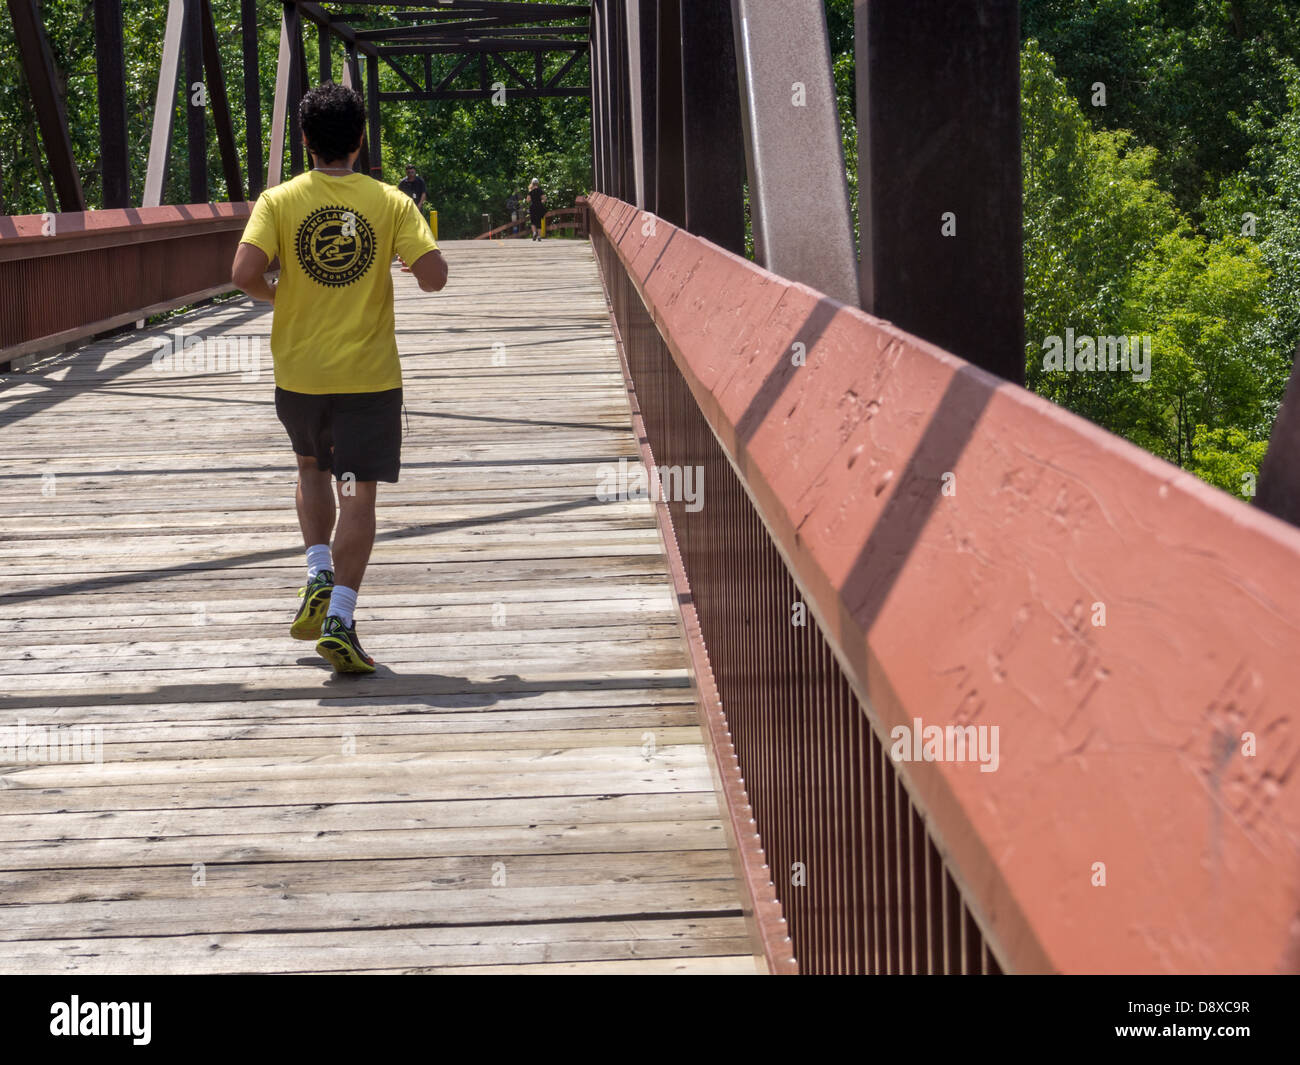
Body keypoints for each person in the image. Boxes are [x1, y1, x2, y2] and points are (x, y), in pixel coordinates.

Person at [230, 83, 449, 674]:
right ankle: (341, 620)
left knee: (310, 470)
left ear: (304, 140)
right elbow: (434, 278)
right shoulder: (391, 202)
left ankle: (317, 573)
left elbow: (243, 272)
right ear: (359, 141)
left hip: (298, 370)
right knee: (358, 492)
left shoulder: (277, 201)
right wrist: (409, 256)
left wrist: (280, 297)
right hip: (367, 376)